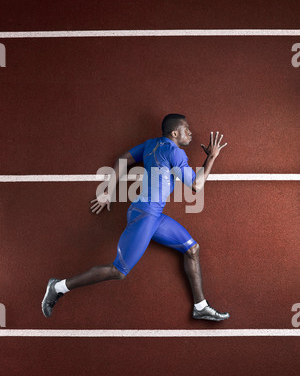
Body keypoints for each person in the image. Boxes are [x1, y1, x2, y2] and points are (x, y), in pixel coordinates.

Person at [42, 114, 229, 321]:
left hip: (153, 214)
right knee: (119, 271)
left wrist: (108, 191)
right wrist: (211, 156)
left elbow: (122, 160)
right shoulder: (175, 153)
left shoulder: (152, 145)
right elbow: (196, 185)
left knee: (192, 249)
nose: (190, 133)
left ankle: (200, 306)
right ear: (175, 133)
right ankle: (58, 286)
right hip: (146, 215)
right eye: (186, 129)